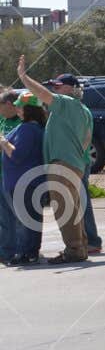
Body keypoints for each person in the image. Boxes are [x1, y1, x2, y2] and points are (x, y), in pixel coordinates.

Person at [16, 58, 97, 262]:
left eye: (59, 86)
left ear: (72, 88)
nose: (54, 89)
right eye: (54, 85)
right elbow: (87, 140)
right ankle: (79, 248)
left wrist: (24, 78)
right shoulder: (83, 109)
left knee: (64, 211)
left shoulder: (66, 103)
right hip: (73, 165)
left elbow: (42, 94)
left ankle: (74, 251)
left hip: (62, 165)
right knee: (72, 210)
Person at [1, 99, 46, 265]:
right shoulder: (37, 127)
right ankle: (30, 252)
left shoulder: (27, 129)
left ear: (29, 109)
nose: (17, 109)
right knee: (31, 218)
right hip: (30, 180)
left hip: (22, 181)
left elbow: (17, 155)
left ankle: (24, 253)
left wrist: (4, 142)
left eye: (19, 106)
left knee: (24, 219)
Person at [0, 90, 19, 264]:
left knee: (18, 215)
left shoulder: (22, 122)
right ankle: (6, 252)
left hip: (15, 176)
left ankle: (21, 250)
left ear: (8, 104)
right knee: (4, 216)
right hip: (2, 174)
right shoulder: (2, 119)